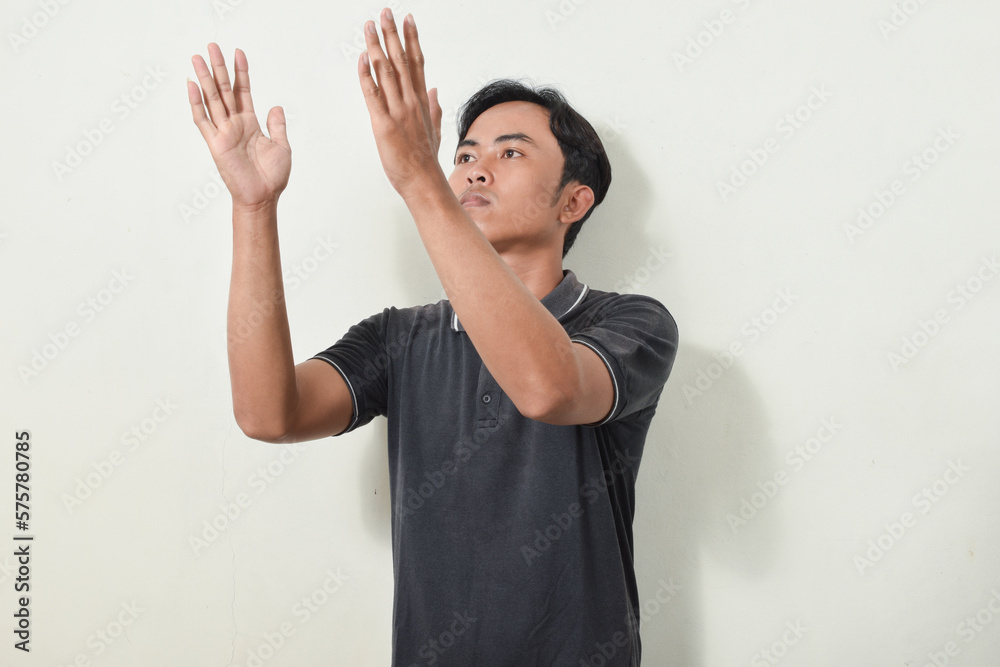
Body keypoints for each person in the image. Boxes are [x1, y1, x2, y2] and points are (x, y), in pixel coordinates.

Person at [187, 8, 677, 665]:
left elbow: (548, 387)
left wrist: (420, 179)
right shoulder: (402, 338)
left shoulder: (631, 323)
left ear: (573, 202)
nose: (475, 169)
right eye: (464, 154)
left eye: (510, 153)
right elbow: (268, 412)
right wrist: (253, 207)